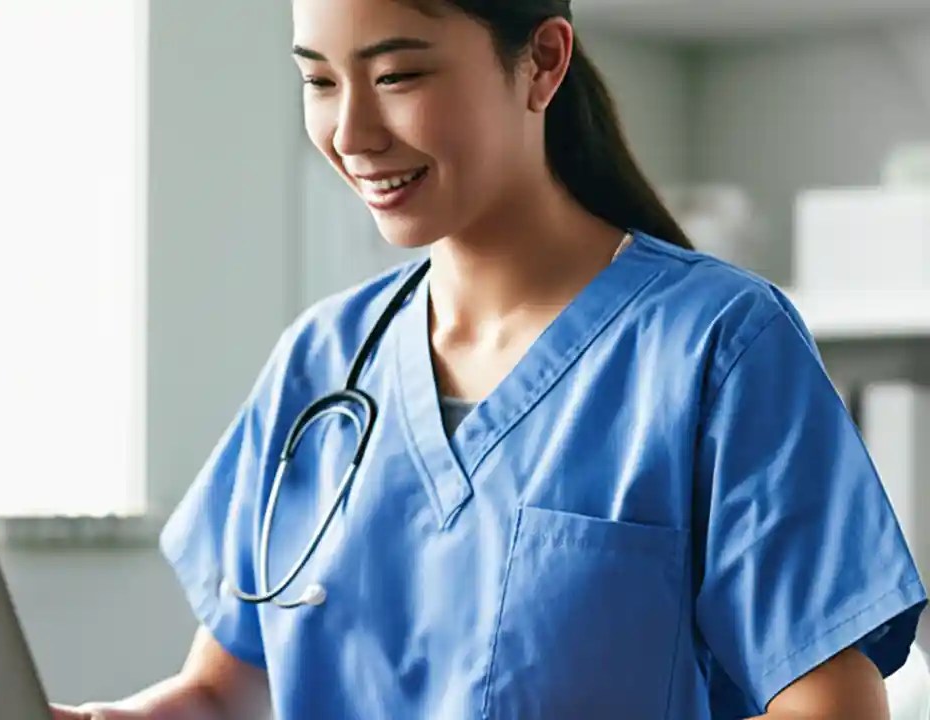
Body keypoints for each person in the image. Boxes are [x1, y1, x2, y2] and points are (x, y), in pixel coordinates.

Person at [53, 0, 928, 717]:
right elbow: (226, 690)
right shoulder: (322, 361)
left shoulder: (719, 345)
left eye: (398, 75)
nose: (351, 131)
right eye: (319, 80)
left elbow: (829, 704)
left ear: (543, 62)